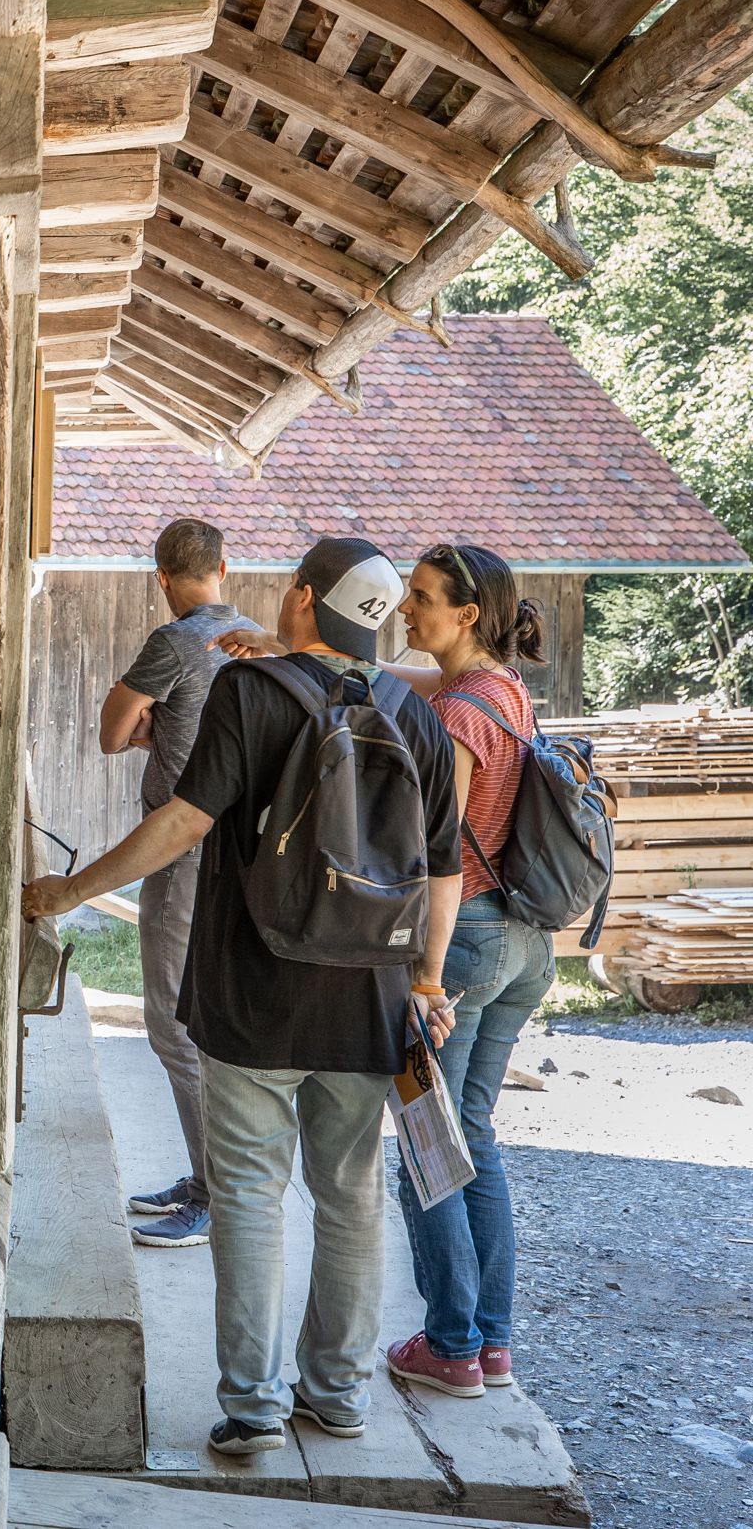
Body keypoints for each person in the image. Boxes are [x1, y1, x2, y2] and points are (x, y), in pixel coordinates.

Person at [26, 537, 462, 1457]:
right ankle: (339, 1395)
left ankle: (255, 1407)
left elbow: (182, 822)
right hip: (370, 1001)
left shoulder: (250, 693)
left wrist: (66, 892)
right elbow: (444, 871)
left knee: (252, 1196)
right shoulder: (418, 720)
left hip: (251, 991)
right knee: (350, 1196)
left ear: (303, 599)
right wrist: (425, 980)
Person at [380, 544, 556, 1399]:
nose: (404, 610)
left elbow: (434, 847)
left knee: (426, 1145)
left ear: (466, 614)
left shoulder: (456, 719)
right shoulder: (504, 692)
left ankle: (449, 1343)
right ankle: (490, 1342)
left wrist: (424, 976)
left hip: (464, 943)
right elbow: (420, 691)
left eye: (419, 598)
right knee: (473, 1137)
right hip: (523, 941)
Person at [96, 517, 258, 1248]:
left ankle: (214, 1191)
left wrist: (150, 721)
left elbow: (110, 729)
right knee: (212, 1014)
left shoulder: (175, 642)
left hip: (181, 847)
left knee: (170, 1019)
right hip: (241, 849)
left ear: (160, 576)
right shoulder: (255, 638)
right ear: (225, 566)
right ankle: (213, 1178)